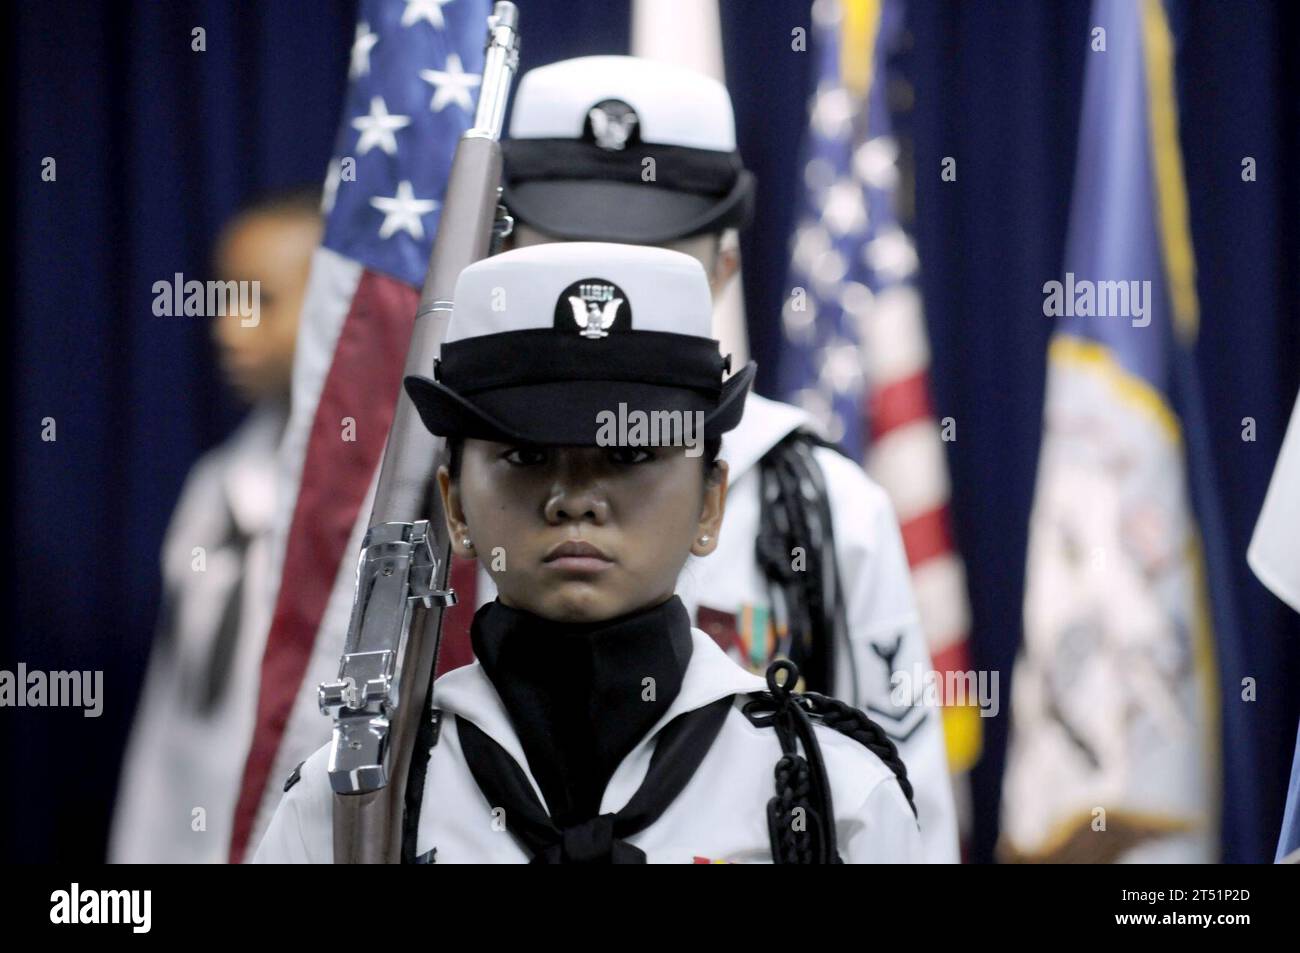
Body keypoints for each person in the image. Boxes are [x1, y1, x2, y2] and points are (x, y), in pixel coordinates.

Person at [429, 55, 960, 862]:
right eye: (568, 237)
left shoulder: (817, 501)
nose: (603, 287)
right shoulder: (419, 496)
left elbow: (902, 808)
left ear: (724, 265)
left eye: (652, 248)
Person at [253, 242, 922, 863]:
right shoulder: (355, 802)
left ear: (710, 502)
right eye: (526, 454)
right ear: (455, 505)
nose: (573, 498)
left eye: (630, 453)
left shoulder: (828, 795)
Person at [109, 188, 322, 863]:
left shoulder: (382, 508)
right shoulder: (215, 489)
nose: (227, 327)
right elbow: (170, 719)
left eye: (259, 299)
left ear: (334, 304)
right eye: (225, 297)